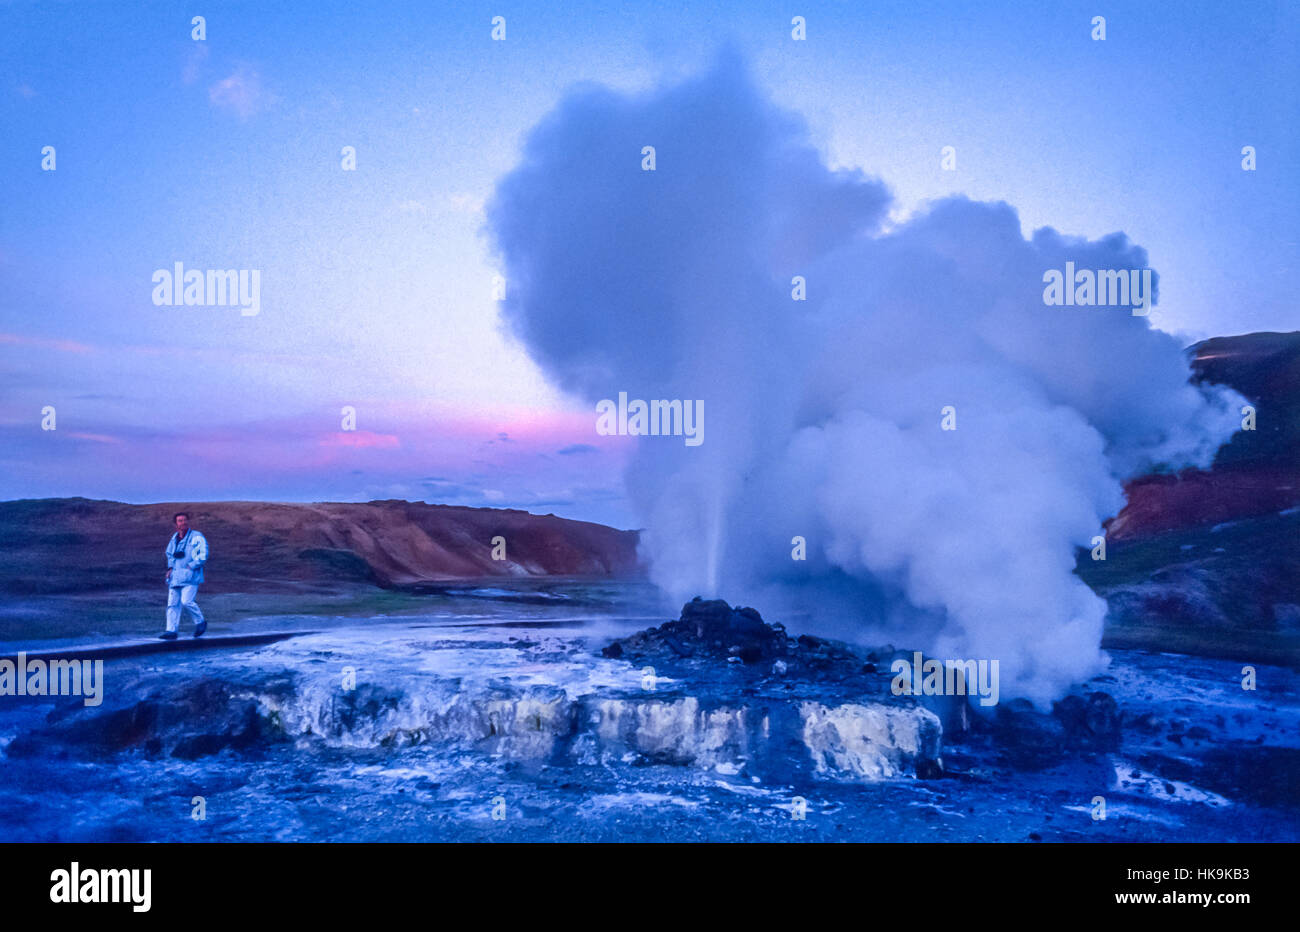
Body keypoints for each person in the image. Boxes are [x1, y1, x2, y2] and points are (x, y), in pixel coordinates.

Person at [160, 511, 208, 639]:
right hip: (175, 576)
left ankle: (200, 622)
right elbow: (169, 554)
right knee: (172, 604)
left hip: (191, 576)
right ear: (176, 524)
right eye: (180, 521)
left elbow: (202, 554)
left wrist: (192, 565)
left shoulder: (196, 536)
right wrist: (170, 568)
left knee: (186, 601)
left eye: (185, 520)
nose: (183, 523)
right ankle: (171, 631)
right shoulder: (174, 538)